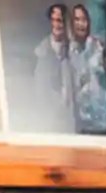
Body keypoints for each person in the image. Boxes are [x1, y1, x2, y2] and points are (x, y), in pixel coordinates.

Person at [66, 4, 106, 133]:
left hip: (103, 123)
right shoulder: (69, 52)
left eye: (84, 20)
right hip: (82, 124)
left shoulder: (99, 48)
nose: (81, 24)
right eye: (77, 20)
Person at [31, 4, 74, 132]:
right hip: (50, 118)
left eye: (61, 21)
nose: (58, 25)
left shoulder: (74, 49)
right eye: (54, 20)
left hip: (72, 117)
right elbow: (40, 88)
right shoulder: (42, 52)